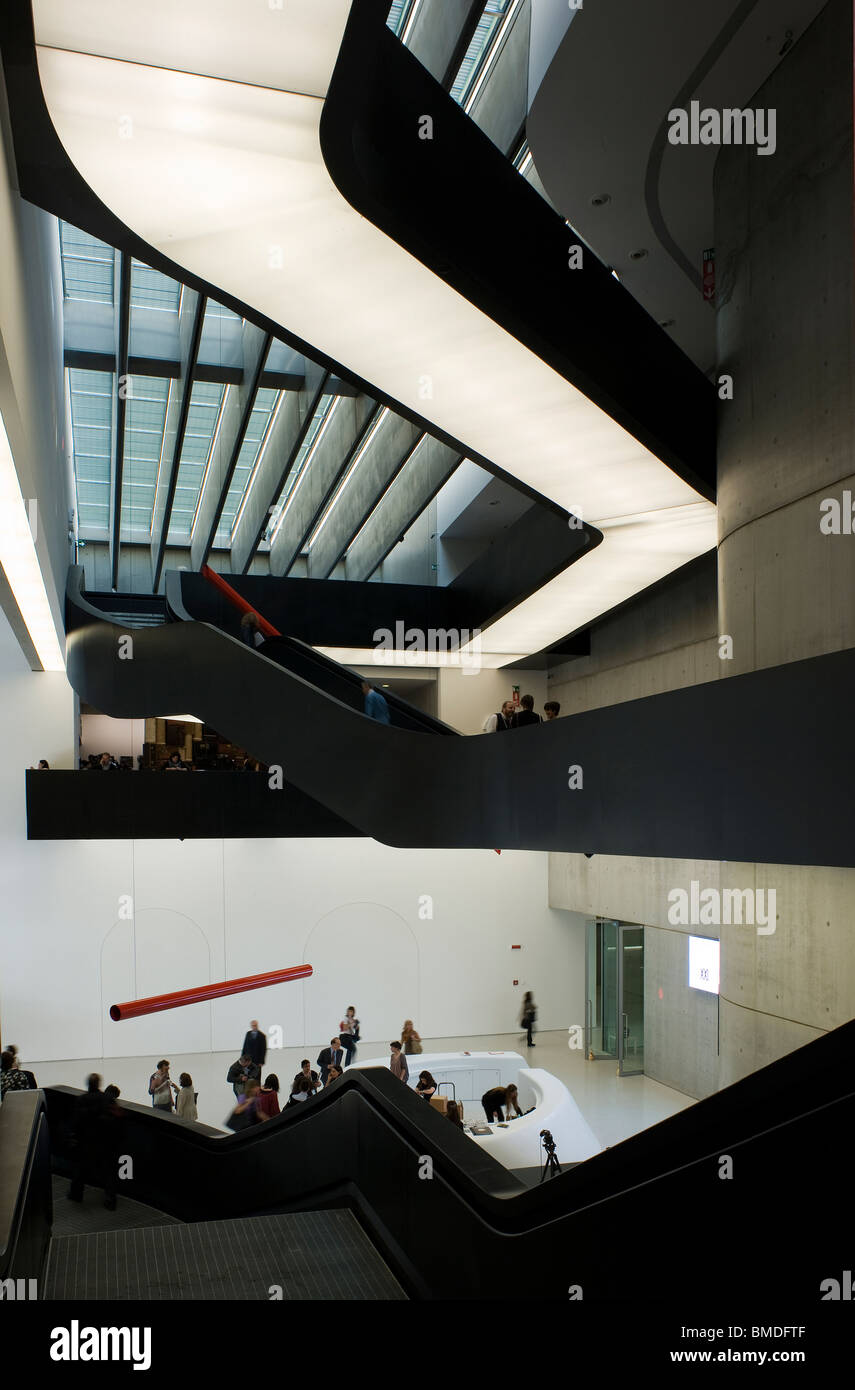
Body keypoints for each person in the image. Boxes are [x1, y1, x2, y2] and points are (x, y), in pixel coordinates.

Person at [68, 1074, 107, 1204]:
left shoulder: (81, 1100)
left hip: (84, 1140)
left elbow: (76, 1121)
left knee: (79, 1170)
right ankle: (109, 1197)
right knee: (105, 1169)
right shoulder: (104, 1099)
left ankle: (76, 1195)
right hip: (101, 1140)